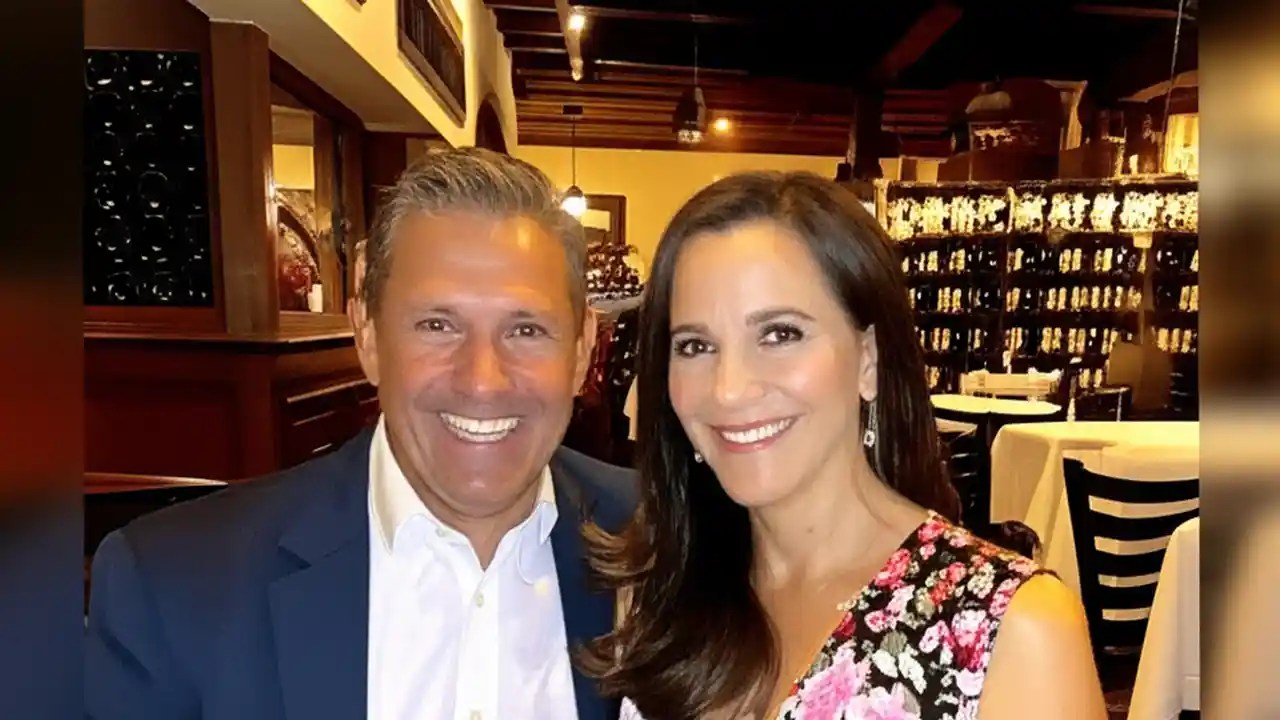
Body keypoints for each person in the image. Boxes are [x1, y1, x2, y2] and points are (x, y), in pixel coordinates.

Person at [86, 147, 636, 720]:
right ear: (367, 336)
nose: (482, 380)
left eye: (525, 329)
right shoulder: (173, 584)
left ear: (580, 352)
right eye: (437, 325)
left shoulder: (673, 545)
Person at [579, 172, 1105, 719]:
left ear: (869, 359)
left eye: (780, 334)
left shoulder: (1012, 631)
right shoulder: (657, 595)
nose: (729, 389)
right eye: (695, 345)